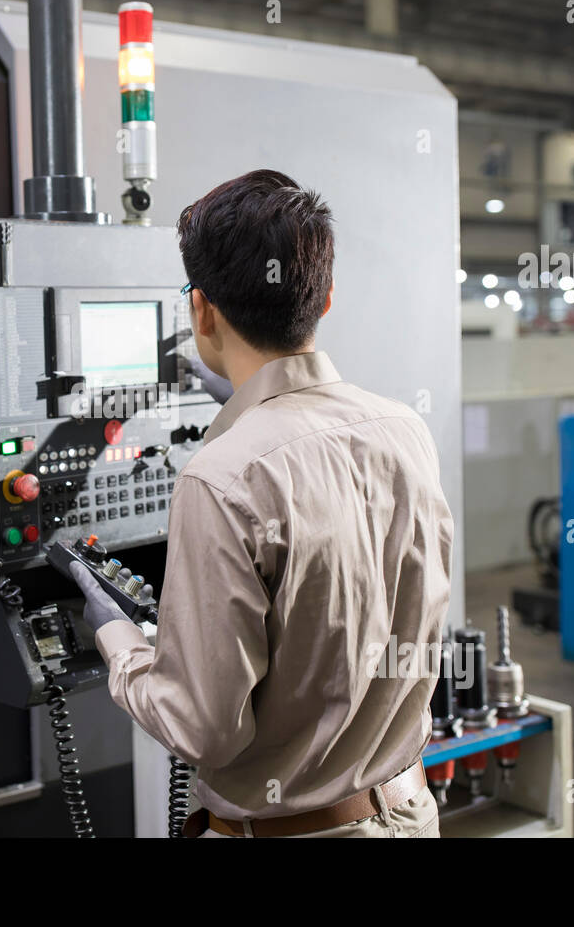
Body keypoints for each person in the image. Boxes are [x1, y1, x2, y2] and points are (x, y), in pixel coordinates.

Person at [68, 169, 454, 838]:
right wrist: (251, 413)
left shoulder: (219, 479)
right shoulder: (404, 430)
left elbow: (204, 729)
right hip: (409, 813)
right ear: (325, 297)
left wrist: (116, 635)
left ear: (202, 311)